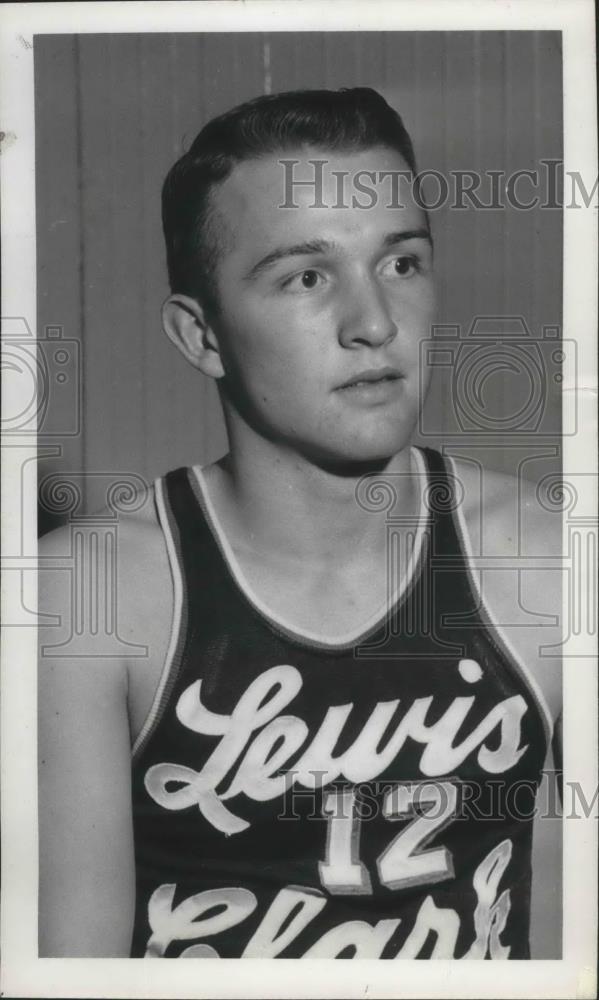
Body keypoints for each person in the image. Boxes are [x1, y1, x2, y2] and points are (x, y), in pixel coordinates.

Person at [38, 87, 562, 959]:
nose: (374, 324)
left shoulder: (549, 563)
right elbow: (66, 968)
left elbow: (562, 941)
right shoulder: (85, 602)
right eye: (305, 277)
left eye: (400, 263)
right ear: (200, 336)